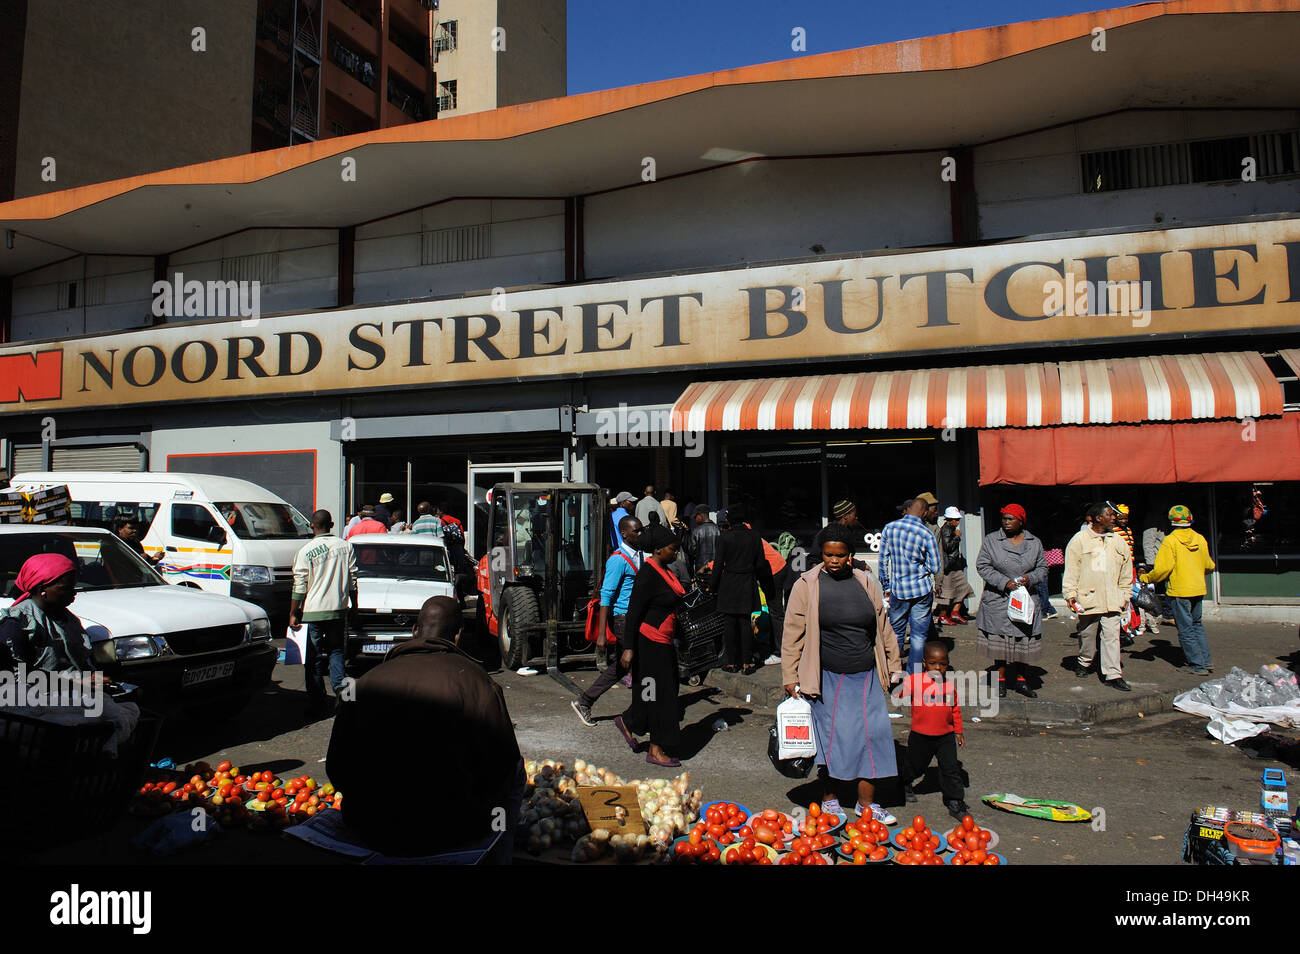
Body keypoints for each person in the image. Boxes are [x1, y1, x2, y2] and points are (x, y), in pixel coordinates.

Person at [326, 596, 524, 860]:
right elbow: (503, 765)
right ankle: (499, 855)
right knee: (518, 770)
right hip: (451, 831)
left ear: (415, 631)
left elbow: (337, 765)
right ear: (457, 636)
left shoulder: (363, 684)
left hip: (370, 828)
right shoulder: (479, 684)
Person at [782, 523, 903, 825]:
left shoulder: (865, 582)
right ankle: (830, 799)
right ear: (821, 554)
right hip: (826, 678)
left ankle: (867, 804)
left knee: (872, 739)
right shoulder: (806, 585)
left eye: (840, 555)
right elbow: (792, 634)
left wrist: (894, 665)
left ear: (850, 555)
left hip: (866, 675)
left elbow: (883, 626)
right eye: (828, 555)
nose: (834, 560)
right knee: (831, 740)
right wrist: (790, 675)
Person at [613, 525, 688, 767]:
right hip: (649, 644)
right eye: (672, 549)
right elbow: (634, 612)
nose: (676, 553)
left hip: (664, 642)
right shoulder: (647, 573)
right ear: (657, 550)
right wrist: (628, 647)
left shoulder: (664, 571)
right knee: (661, 696)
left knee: (654, 692)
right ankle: (655, 748)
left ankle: (630, 721)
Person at [571, 516, 643, 726]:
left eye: (640, 530)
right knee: (640, 663)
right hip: (623, 619)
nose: (640, 534)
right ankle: (641, 714)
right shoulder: (618, 560)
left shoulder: (639, 556)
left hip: (633, 618)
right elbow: (606, 596)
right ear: (625, 533)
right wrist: (601, 634)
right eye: (636, 531)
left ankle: (585, 701)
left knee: (622, 666)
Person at [290, 510, 359, 717]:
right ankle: (344, 694)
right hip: (338, 609)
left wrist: (294, 612)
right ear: (332, 524)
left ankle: (317, 701)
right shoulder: (346, 546)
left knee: (313, 658)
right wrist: (354, 605)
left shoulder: (305, 551)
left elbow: (299, 585)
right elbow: (353, 579)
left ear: (312, 525)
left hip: (312, 612)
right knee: (337, 651)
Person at [975, 503, 1048, 698]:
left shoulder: (1034, 542)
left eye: (1010, 519)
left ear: (1020, 521)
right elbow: (982, 565)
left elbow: (1042, 568)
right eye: (1004, 519)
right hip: (999, 599)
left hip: (1025, 599)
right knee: (1000, 642)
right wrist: (1003, 582)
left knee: (1023, 640)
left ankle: (1022, 681)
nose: (1006, 522)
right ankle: (1000, 680)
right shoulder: (991, 540)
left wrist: (1030, 579)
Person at [1063, 503, 1133, 692]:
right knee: (1087, 634)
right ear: (1098, 518)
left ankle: (1113, 674)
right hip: (1088, 599)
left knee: (1111, 636)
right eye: (1110, 515)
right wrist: (1070, 595)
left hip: (1113, 599)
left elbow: (1126, 571)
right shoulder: (1080, 540)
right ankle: (1084, 662)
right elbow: (1071, 570)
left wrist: (1125, 595)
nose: (1113, 518)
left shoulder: (1117, 541)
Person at [1140, 505, 1216, 674]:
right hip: (1198, 589)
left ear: (1171, 521)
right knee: (1197, 625)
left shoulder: (1170, 541)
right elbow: (1210, 565)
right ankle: (1206, 661)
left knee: (1185, 628)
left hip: (1179, 591)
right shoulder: (1200, 538)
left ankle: (1198, 665)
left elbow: (1162, 570)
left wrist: (1145, 578)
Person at [899, 641, 969, 819]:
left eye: (943, 664)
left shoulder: (949, 686)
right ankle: (904, 783)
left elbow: (955, 710)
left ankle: (955, 800)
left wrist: (958, 731)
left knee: (950, 769)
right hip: (920, 735)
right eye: (933, 663)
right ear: (924, 663)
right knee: (914, 765)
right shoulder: (915, 681)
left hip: (945, 736)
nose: (938, 668)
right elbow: (899, 692)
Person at [709, 504, 777, 675]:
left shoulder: (724, 538)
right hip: (747, 581)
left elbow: (718, 565)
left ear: (729, 520)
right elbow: (761, 563)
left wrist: (712, 586)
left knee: (729, 623)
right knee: (746, 622)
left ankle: (731, 662)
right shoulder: (754, 537)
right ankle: (747, 662)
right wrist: (764, 582)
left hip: (729, 582)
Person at [0, 553, 95, 673]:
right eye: (66, 588)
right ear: (42, 590)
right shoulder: (17, 622)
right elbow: (17, 674)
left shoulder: (67, 618)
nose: (74, 592)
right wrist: (76, 682)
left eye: (74, 587)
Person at [878, 498, 941, 672]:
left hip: (899, 590)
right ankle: (914, 676)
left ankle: (893, 672)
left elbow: (883, 560)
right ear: (924, 512)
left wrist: (887, 587)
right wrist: (922, 568)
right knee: (918, 636)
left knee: (896, 632)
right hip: (921, 589)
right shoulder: (926, 533)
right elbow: (936, 567)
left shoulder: (890, 528)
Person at [935, 506, 973, 626]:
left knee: (964, 588)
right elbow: (947, 547)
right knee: (947, 593)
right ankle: (943, 616)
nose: (957, 522)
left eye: (958, 519)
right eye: (955, 519)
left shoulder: (950, 528)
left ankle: (955, 612)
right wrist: (957, 537)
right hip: (948, 567)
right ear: (950, 519)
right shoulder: (946, 529)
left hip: (954, 566)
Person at [1140, 517, 1167, 633]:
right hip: (1155, 562)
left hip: (1163, 560)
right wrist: (1150, 563)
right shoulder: (1152, 522)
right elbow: (1148, 543)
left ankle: (1155, 617)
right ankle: (1148, 620)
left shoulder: (1163, 522)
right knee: (1149, 594)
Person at [686, 507, 720, 578]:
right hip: (716, 567)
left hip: (701, 569)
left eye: (696, 517)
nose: (695, 520)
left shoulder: (696, 531)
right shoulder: (718, 529)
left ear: (700, 515)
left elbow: (691, 551)